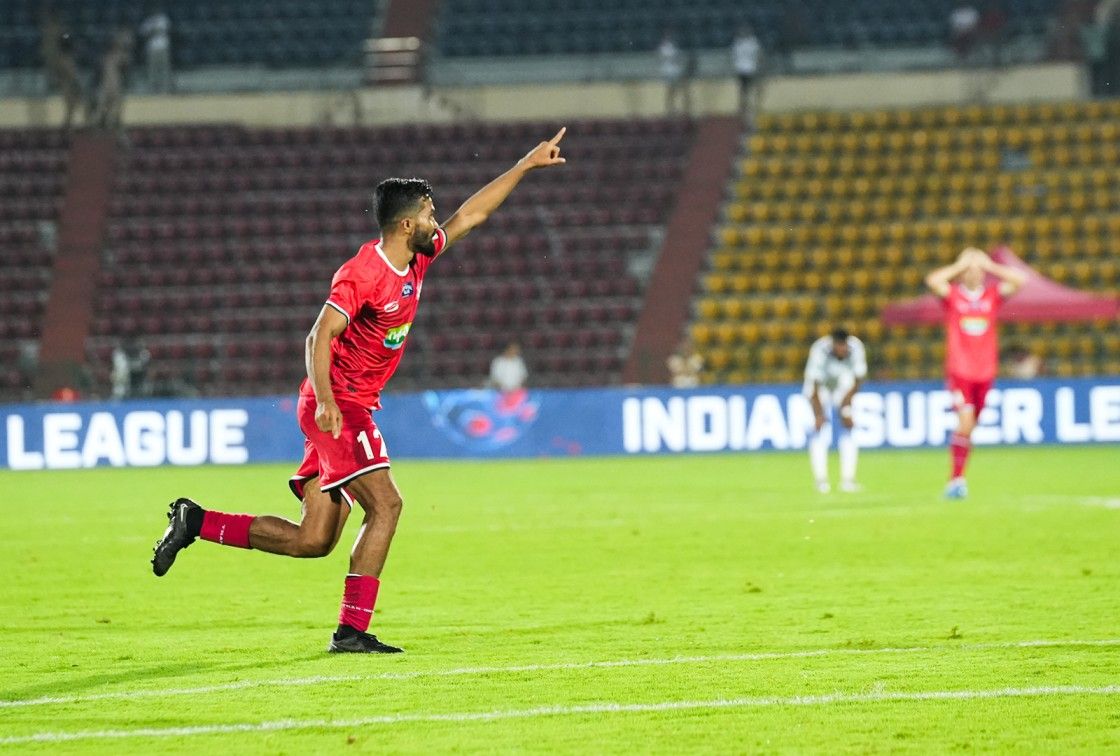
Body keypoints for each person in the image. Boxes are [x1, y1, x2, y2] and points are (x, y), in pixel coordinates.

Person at [151, 128, 568, 654]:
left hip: (347, 403)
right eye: (430, 214)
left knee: (314, 540)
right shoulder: (362, 274)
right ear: (406, 223)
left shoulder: (416, 258)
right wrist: (327, 401)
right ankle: (351, 631)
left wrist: (525, 165)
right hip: (339, 404)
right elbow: (317, 335)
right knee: (387, 506)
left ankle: (196, 522)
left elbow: (472, 216)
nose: (438, 222)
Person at [925, 248, 1027, 499]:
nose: (975, 271)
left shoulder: (992, 295)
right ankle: (956, 480)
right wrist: (960, 264)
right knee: (966, 422)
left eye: (978, 268)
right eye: (970, 268)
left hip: (985, 373)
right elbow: (933, 281)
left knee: (969, 429)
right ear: (962, 273)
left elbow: (1020, 281)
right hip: (960, 371)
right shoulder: (953, 296)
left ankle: (958, 477)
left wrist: (990, 265)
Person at [803, 327, 867, 494]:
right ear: (833, 345)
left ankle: (848, 480)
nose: (842, 350)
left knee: (850, 430)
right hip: (821, 387)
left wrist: (846, 410)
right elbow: (814, 386)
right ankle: (821, 481)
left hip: (843, 385)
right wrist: (818, 415)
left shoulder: (856, 348)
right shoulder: (819, 350)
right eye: (838, 346)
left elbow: (857, 380)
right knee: (819, 432)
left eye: (843, 346)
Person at [731, 25, 762, 120]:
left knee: (753, 88)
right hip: (741, 69)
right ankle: (743, 107)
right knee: (743, 90)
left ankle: (754, 106)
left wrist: (759, 65)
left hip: (751, 69)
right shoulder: (737, 42)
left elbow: (759, 54)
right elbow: (734, 56)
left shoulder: (753, 42)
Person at [139, 5, 173, 93]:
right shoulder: (147, 21)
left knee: (164, 69)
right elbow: (143, 34)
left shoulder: (163, 19)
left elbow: (166, 30)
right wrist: (154, 31)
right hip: (151, 49)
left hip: (163, 47)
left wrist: (153, 31)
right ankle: (152, 89)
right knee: (152, 70)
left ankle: (165, 89)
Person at [658, 31, 688, 116]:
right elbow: (666, 58)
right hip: (668, 72)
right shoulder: (663, 47)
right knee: (670, 91)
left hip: (676, 71)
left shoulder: (674, 46)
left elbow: (679, 58)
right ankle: (670, 109)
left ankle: (682, 108)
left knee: (680, 90)